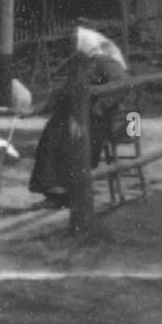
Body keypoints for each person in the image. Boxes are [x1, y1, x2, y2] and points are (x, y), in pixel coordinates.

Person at [29, 27, 127, 207]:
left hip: (99, 118)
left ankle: (68, 193)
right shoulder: (83, 64)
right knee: (52, 134)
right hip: (82, 115)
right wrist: (36, 109)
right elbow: (64, 93)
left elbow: (121, 85)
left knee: (66, 139)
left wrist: (100, 106)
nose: (71, 47)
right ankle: (56, 193)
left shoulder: (104, 61)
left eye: (74, 42)